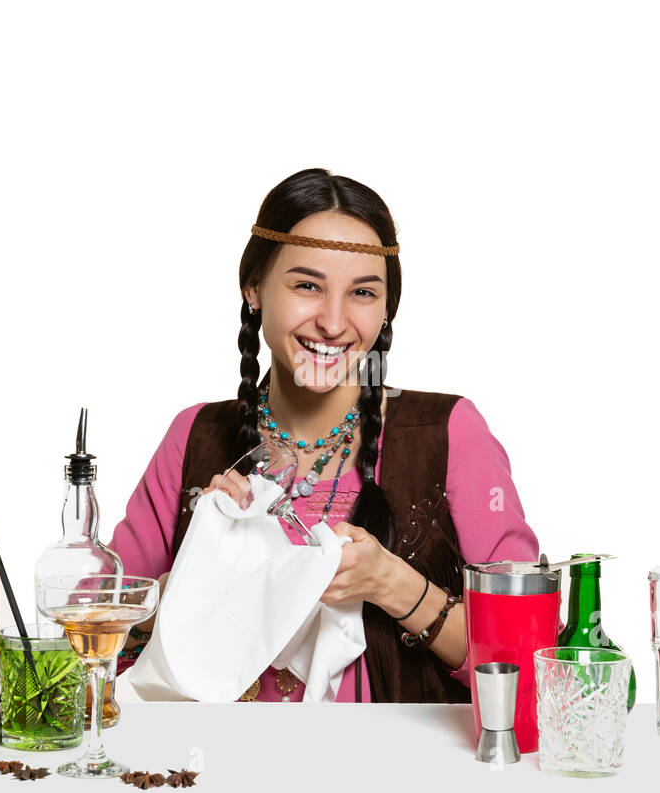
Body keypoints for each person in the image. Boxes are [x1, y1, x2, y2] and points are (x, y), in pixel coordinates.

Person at [110, 168, 538, 702]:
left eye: (362, 292)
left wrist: (395, 586)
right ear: (254, 289)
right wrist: (193, 583)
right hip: (210, 771)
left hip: (396, 777)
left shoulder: (449, 433)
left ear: (386, 312)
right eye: (307, 285)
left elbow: (531, 661)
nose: (333, 323)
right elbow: (94, 634)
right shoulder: (195, 435)